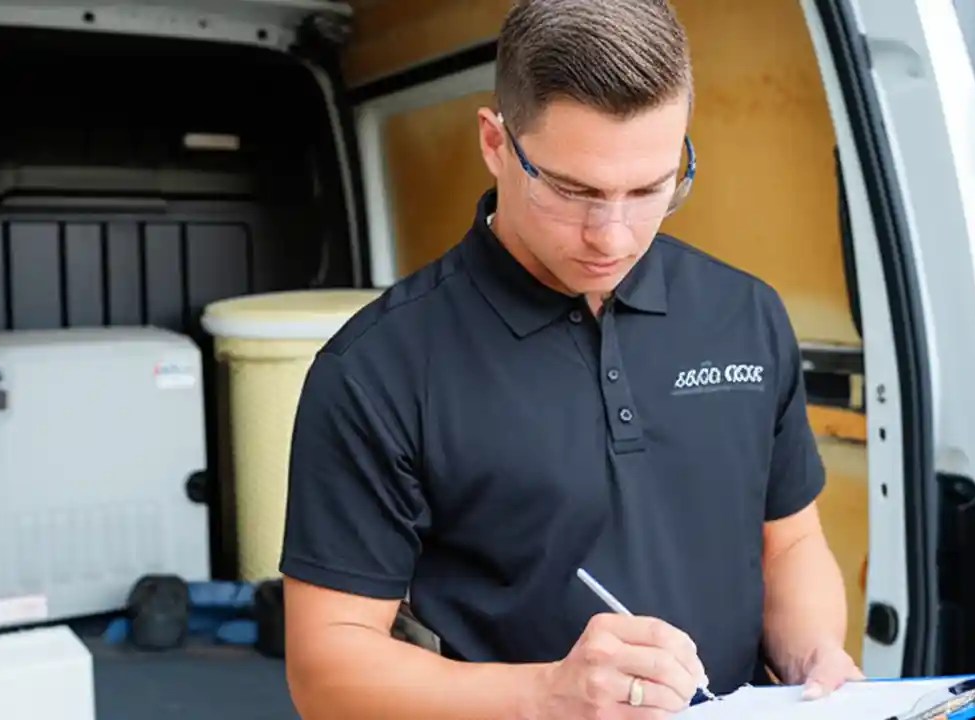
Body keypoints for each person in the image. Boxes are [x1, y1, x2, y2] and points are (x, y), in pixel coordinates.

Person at [277, 0, 862, 717]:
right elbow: (326, 668)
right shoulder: (377, 370)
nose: (612, 237)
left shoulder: (746, 314)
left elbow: (791, 543)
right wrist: (549, 695)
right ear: (495, 143)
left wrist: (814, 657)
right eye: (574, 191)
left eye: (650, 189)